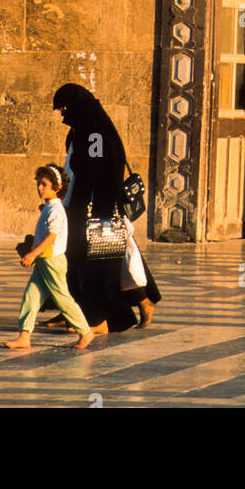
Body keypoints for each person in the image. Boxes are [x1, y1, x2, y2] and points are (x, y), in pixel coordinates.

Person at [50, 83, 161, 334]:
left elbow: (97, 170)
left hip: (97, 207)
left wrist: (92, 204)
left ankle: (109, 312)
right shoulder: (83, 130)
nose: (63, 114)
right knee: (96, 258)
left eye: (65, 108)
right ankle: (75, 311)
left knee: (100, 262)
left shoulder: (96, 134)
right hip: (80, 205)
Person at [4, 164, 96, 351]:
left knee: (62, 297)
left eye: (44, 184)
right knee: (31, 297)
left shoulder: (56, 210)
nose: (39, 187)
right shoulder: (49, 207)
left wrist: (33, 253)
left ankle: (85, 331)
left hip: (52, 261)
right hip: (44, 261)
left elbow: (52, 237)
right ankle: (24, 336)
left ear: (57, 187)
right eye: (38, 183)